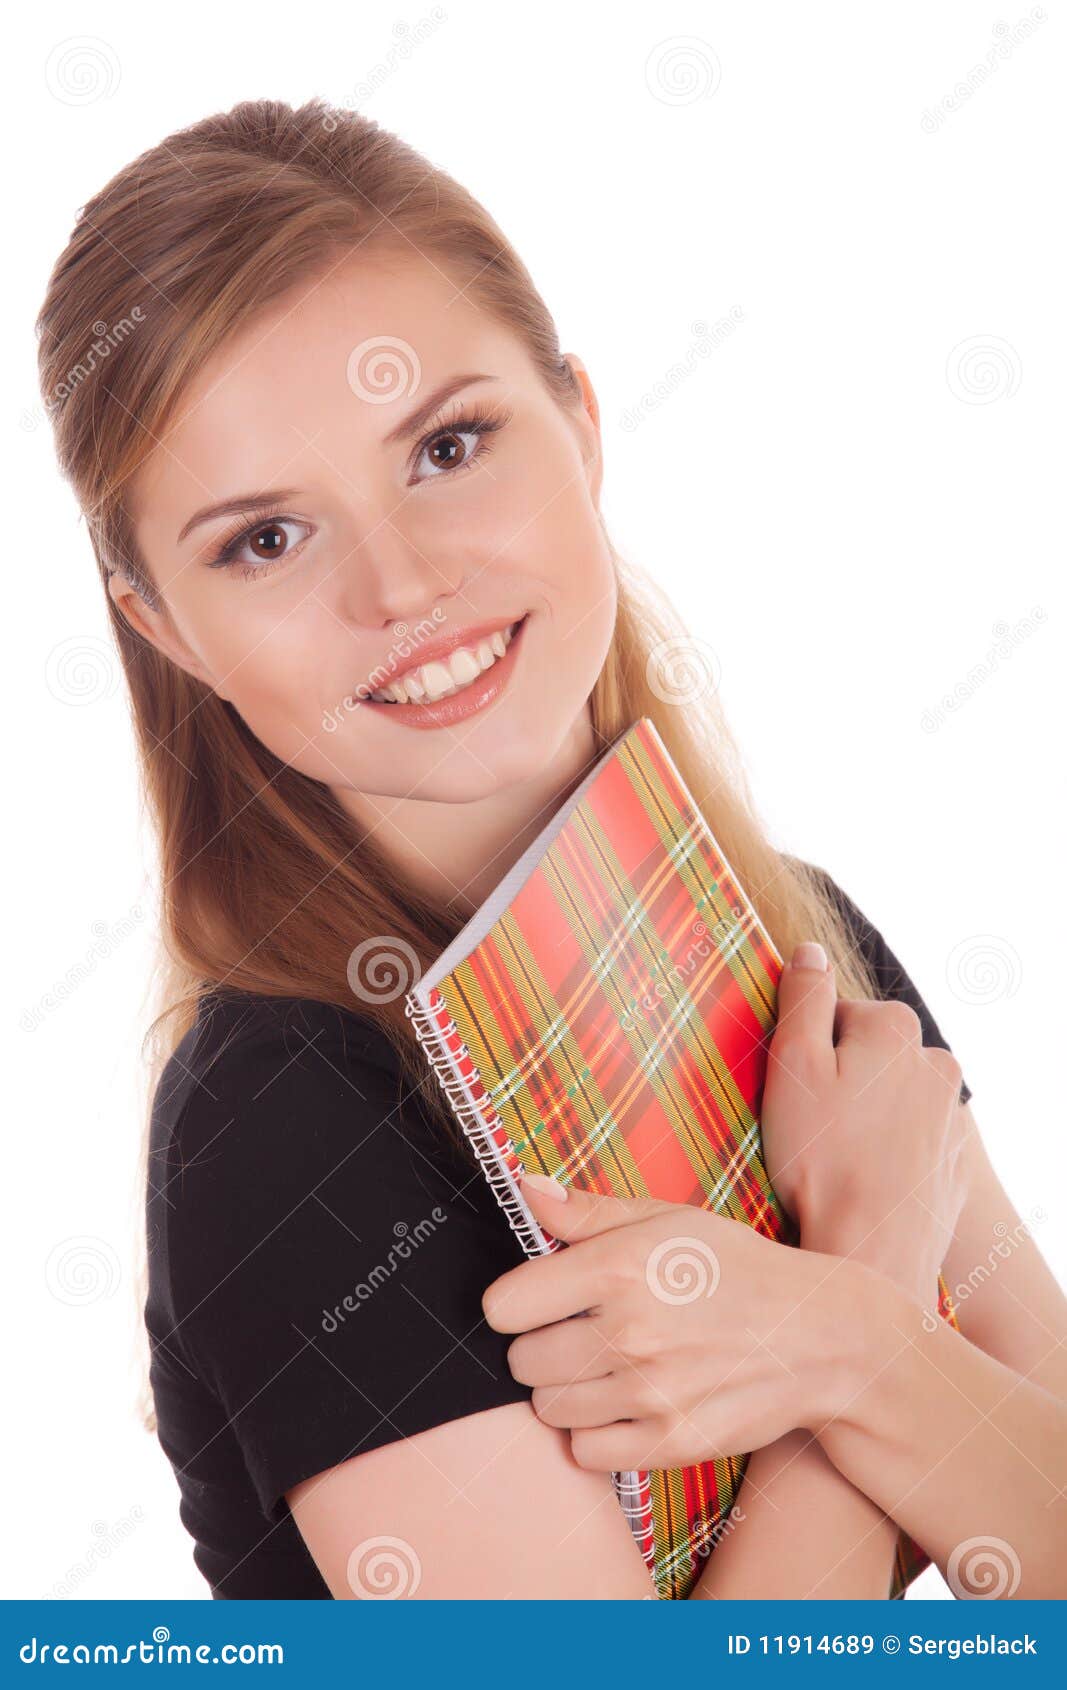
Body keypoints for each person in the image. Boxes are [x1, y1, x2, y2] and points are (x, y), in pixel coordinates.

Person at [36, 96, 1067, 1601]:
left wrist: (843, 1334)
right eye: (266, 538)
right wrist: (861, 1295)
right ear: (161, 627)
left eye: (448, 445)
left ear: (580, 425)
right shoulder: (278, 1124)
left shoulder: (798, 932)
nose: (404, 584)